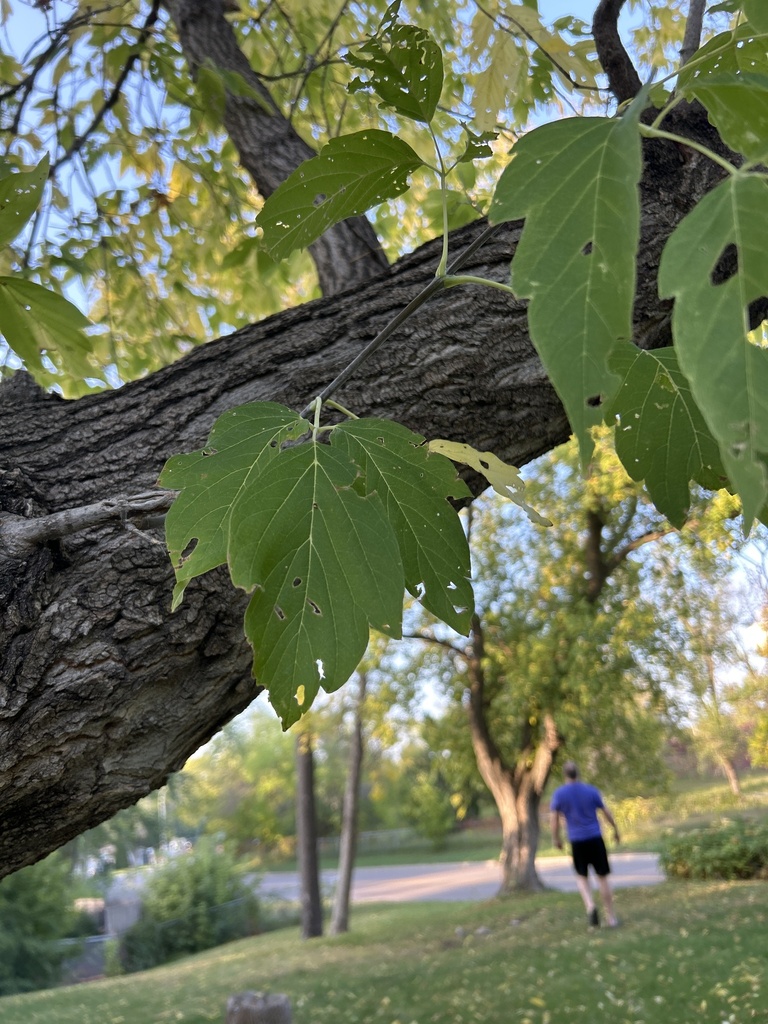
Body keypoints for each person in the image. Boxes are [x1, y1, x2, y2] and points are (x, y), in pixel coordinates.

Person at [550, 760, 620, 928]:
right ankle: (610, 917)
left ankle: (590, 906)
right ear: (578, 773)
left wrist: (556, 838)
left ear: (565, 775)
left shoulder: (560, 794)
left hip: (577, 840)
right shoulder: (591, 790)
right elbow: (605, 811)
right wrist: (615, 829)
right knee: (602, 877)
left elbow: (554, 819)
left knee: (582, 877)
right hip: (595, 838)